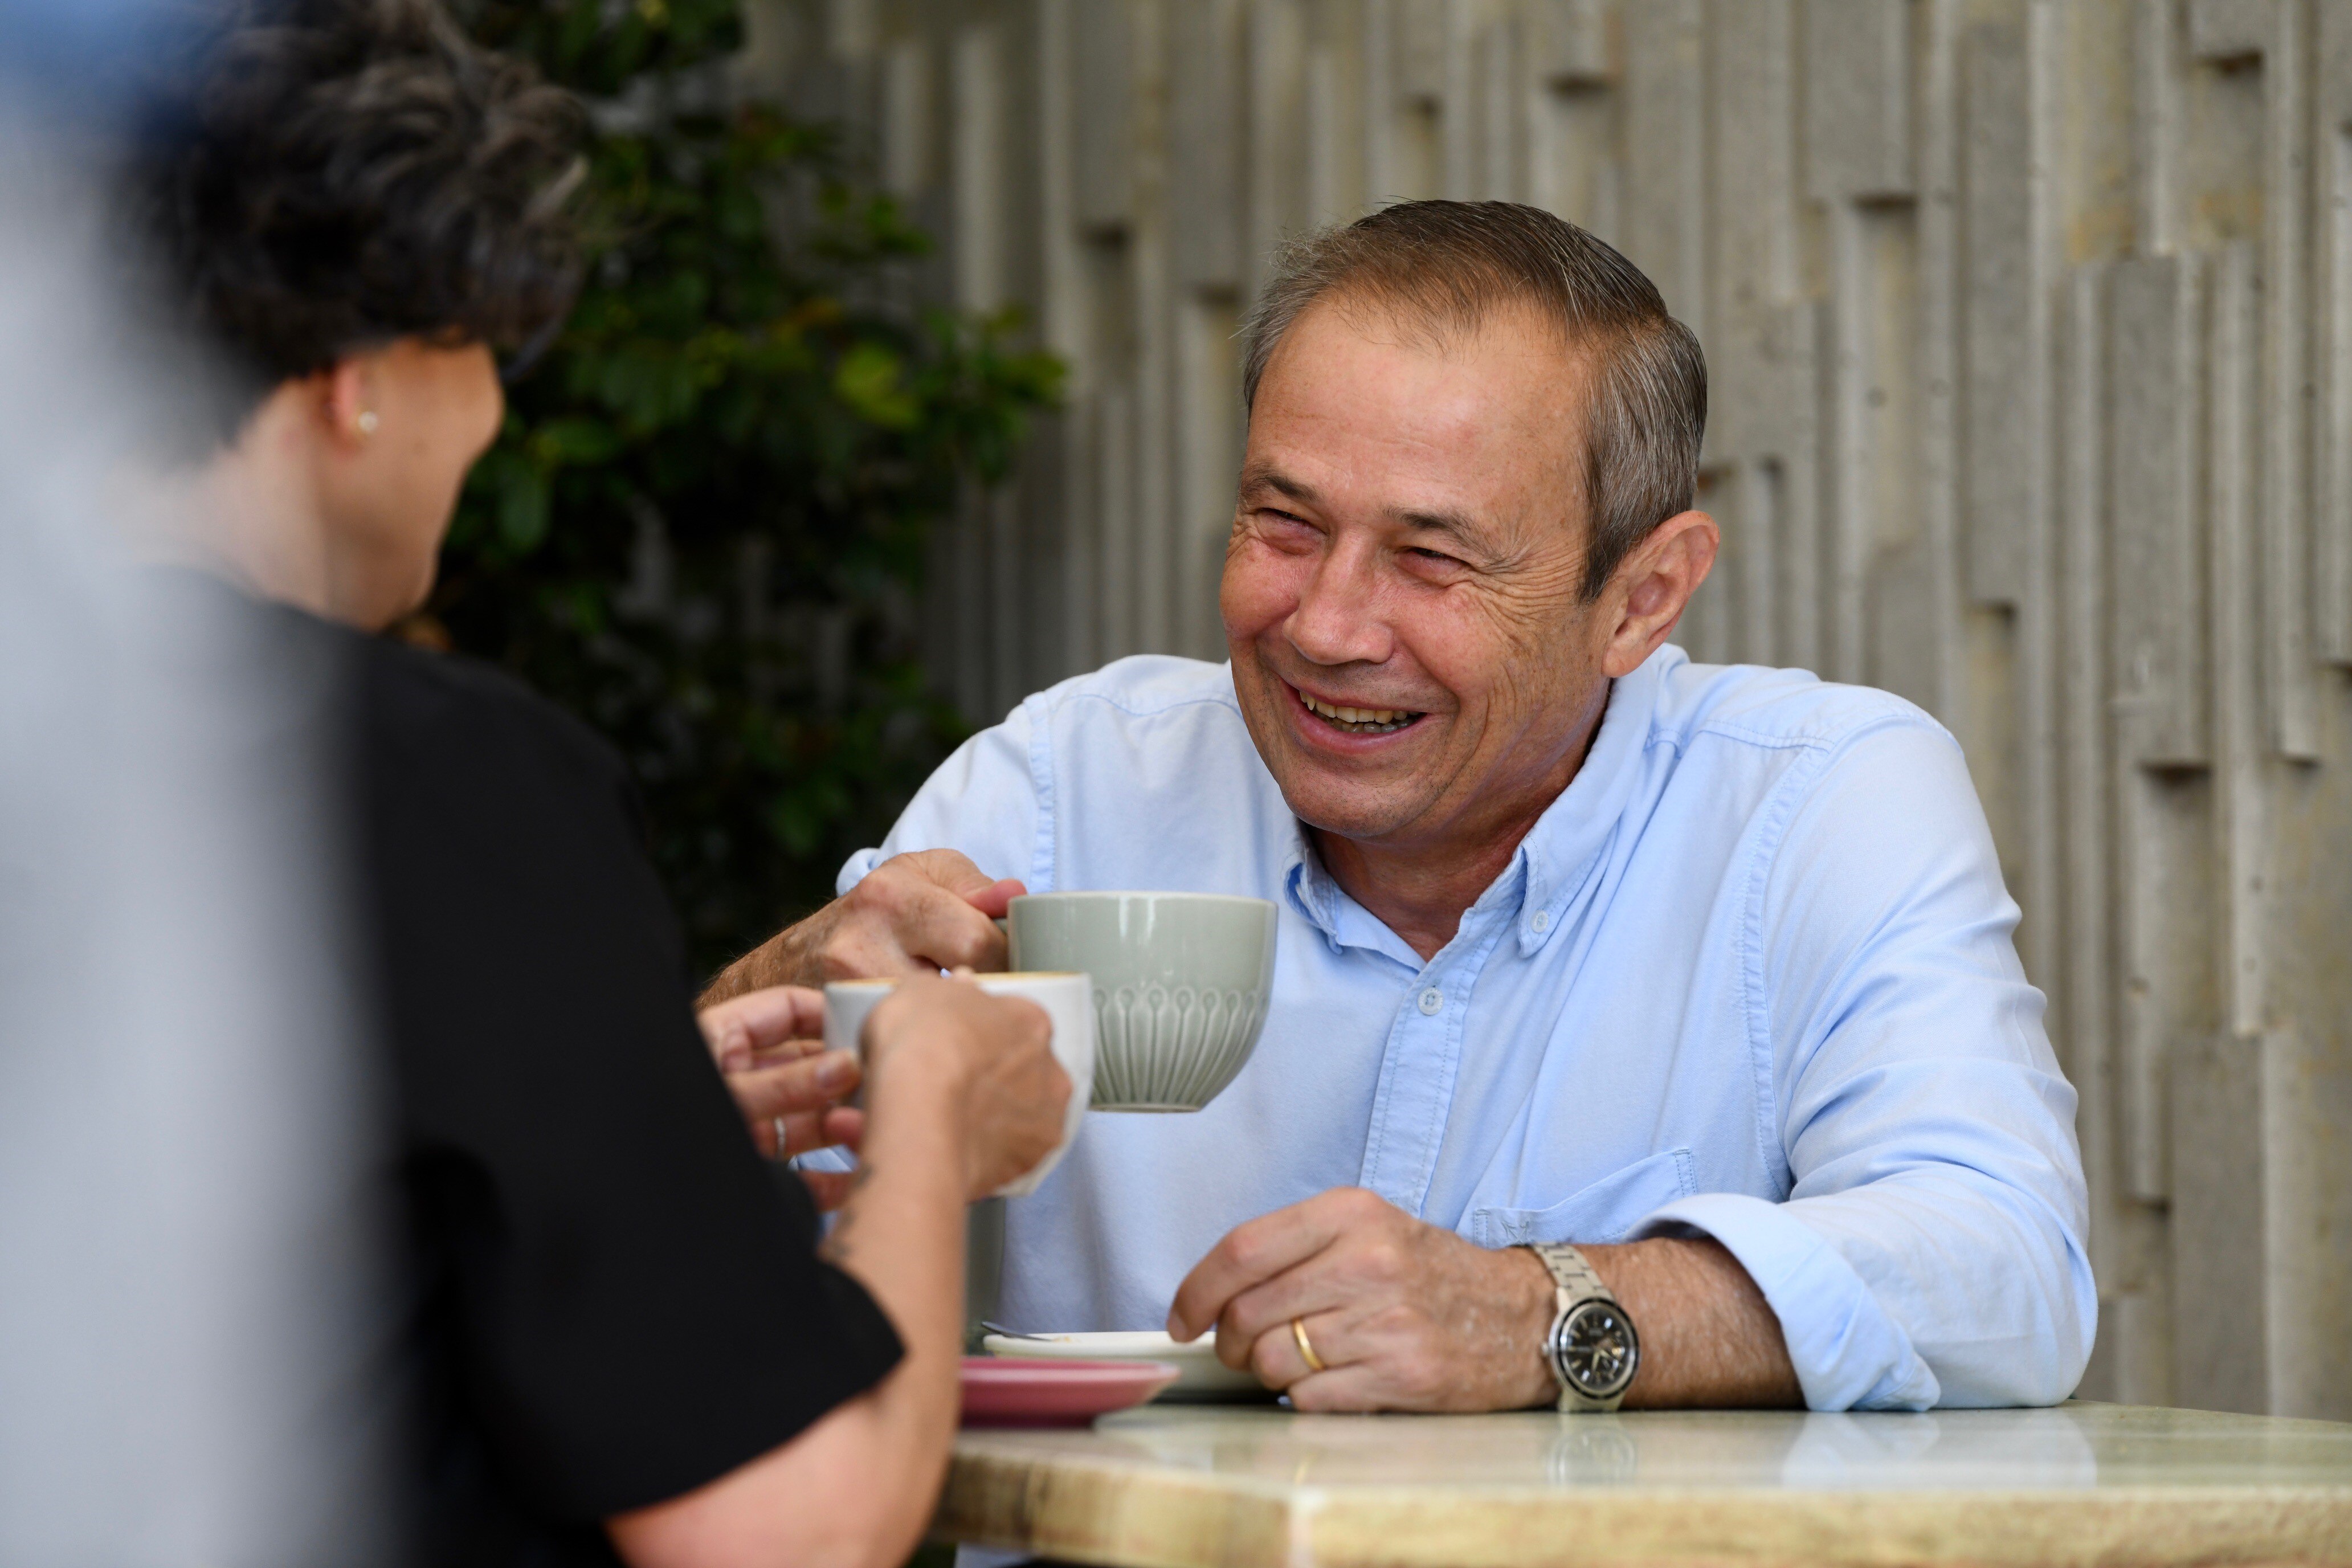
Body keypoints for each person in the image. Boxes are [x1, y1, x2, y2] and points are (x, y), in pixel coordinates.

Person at [703, 201, 2096, 1415]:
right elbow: (650, 1224)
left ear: (1642, 598)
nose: (1325, 625)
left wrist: (1543, 1312)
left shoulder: (1815, 797)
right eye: (1284, 524)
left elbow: (2006, 1265)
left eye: (1432, 557)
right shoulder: (1070, 782)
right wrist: (776, 1005)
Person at [116, 4, 1068, 1566]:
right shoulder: (440, 776)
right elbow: (791, 1527)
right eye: (486, 351)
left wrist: (619, 1123)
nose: (491, 418)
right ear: (363, 372)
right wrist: (930, 1119)